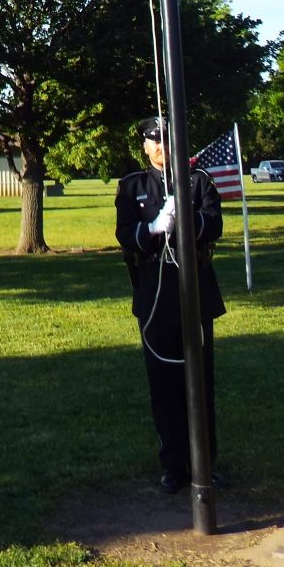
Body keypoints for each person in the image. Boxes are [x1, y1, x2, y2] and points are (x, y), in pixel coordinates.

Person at [114, 115, 224, 493]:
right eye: (153, 140)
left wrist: (186, 219)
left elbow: (214, 225)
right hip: (155, 293)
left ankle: (205, 463)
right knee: (162, 384)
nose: (161, 146)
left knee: (200, 381)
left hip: (195, 292)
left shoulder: (198, 181)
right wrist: (153, 228)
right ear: (144, 146)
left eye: (167, 139)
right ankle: (173, 465)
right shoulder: (133, 186)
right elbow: (125, 234)